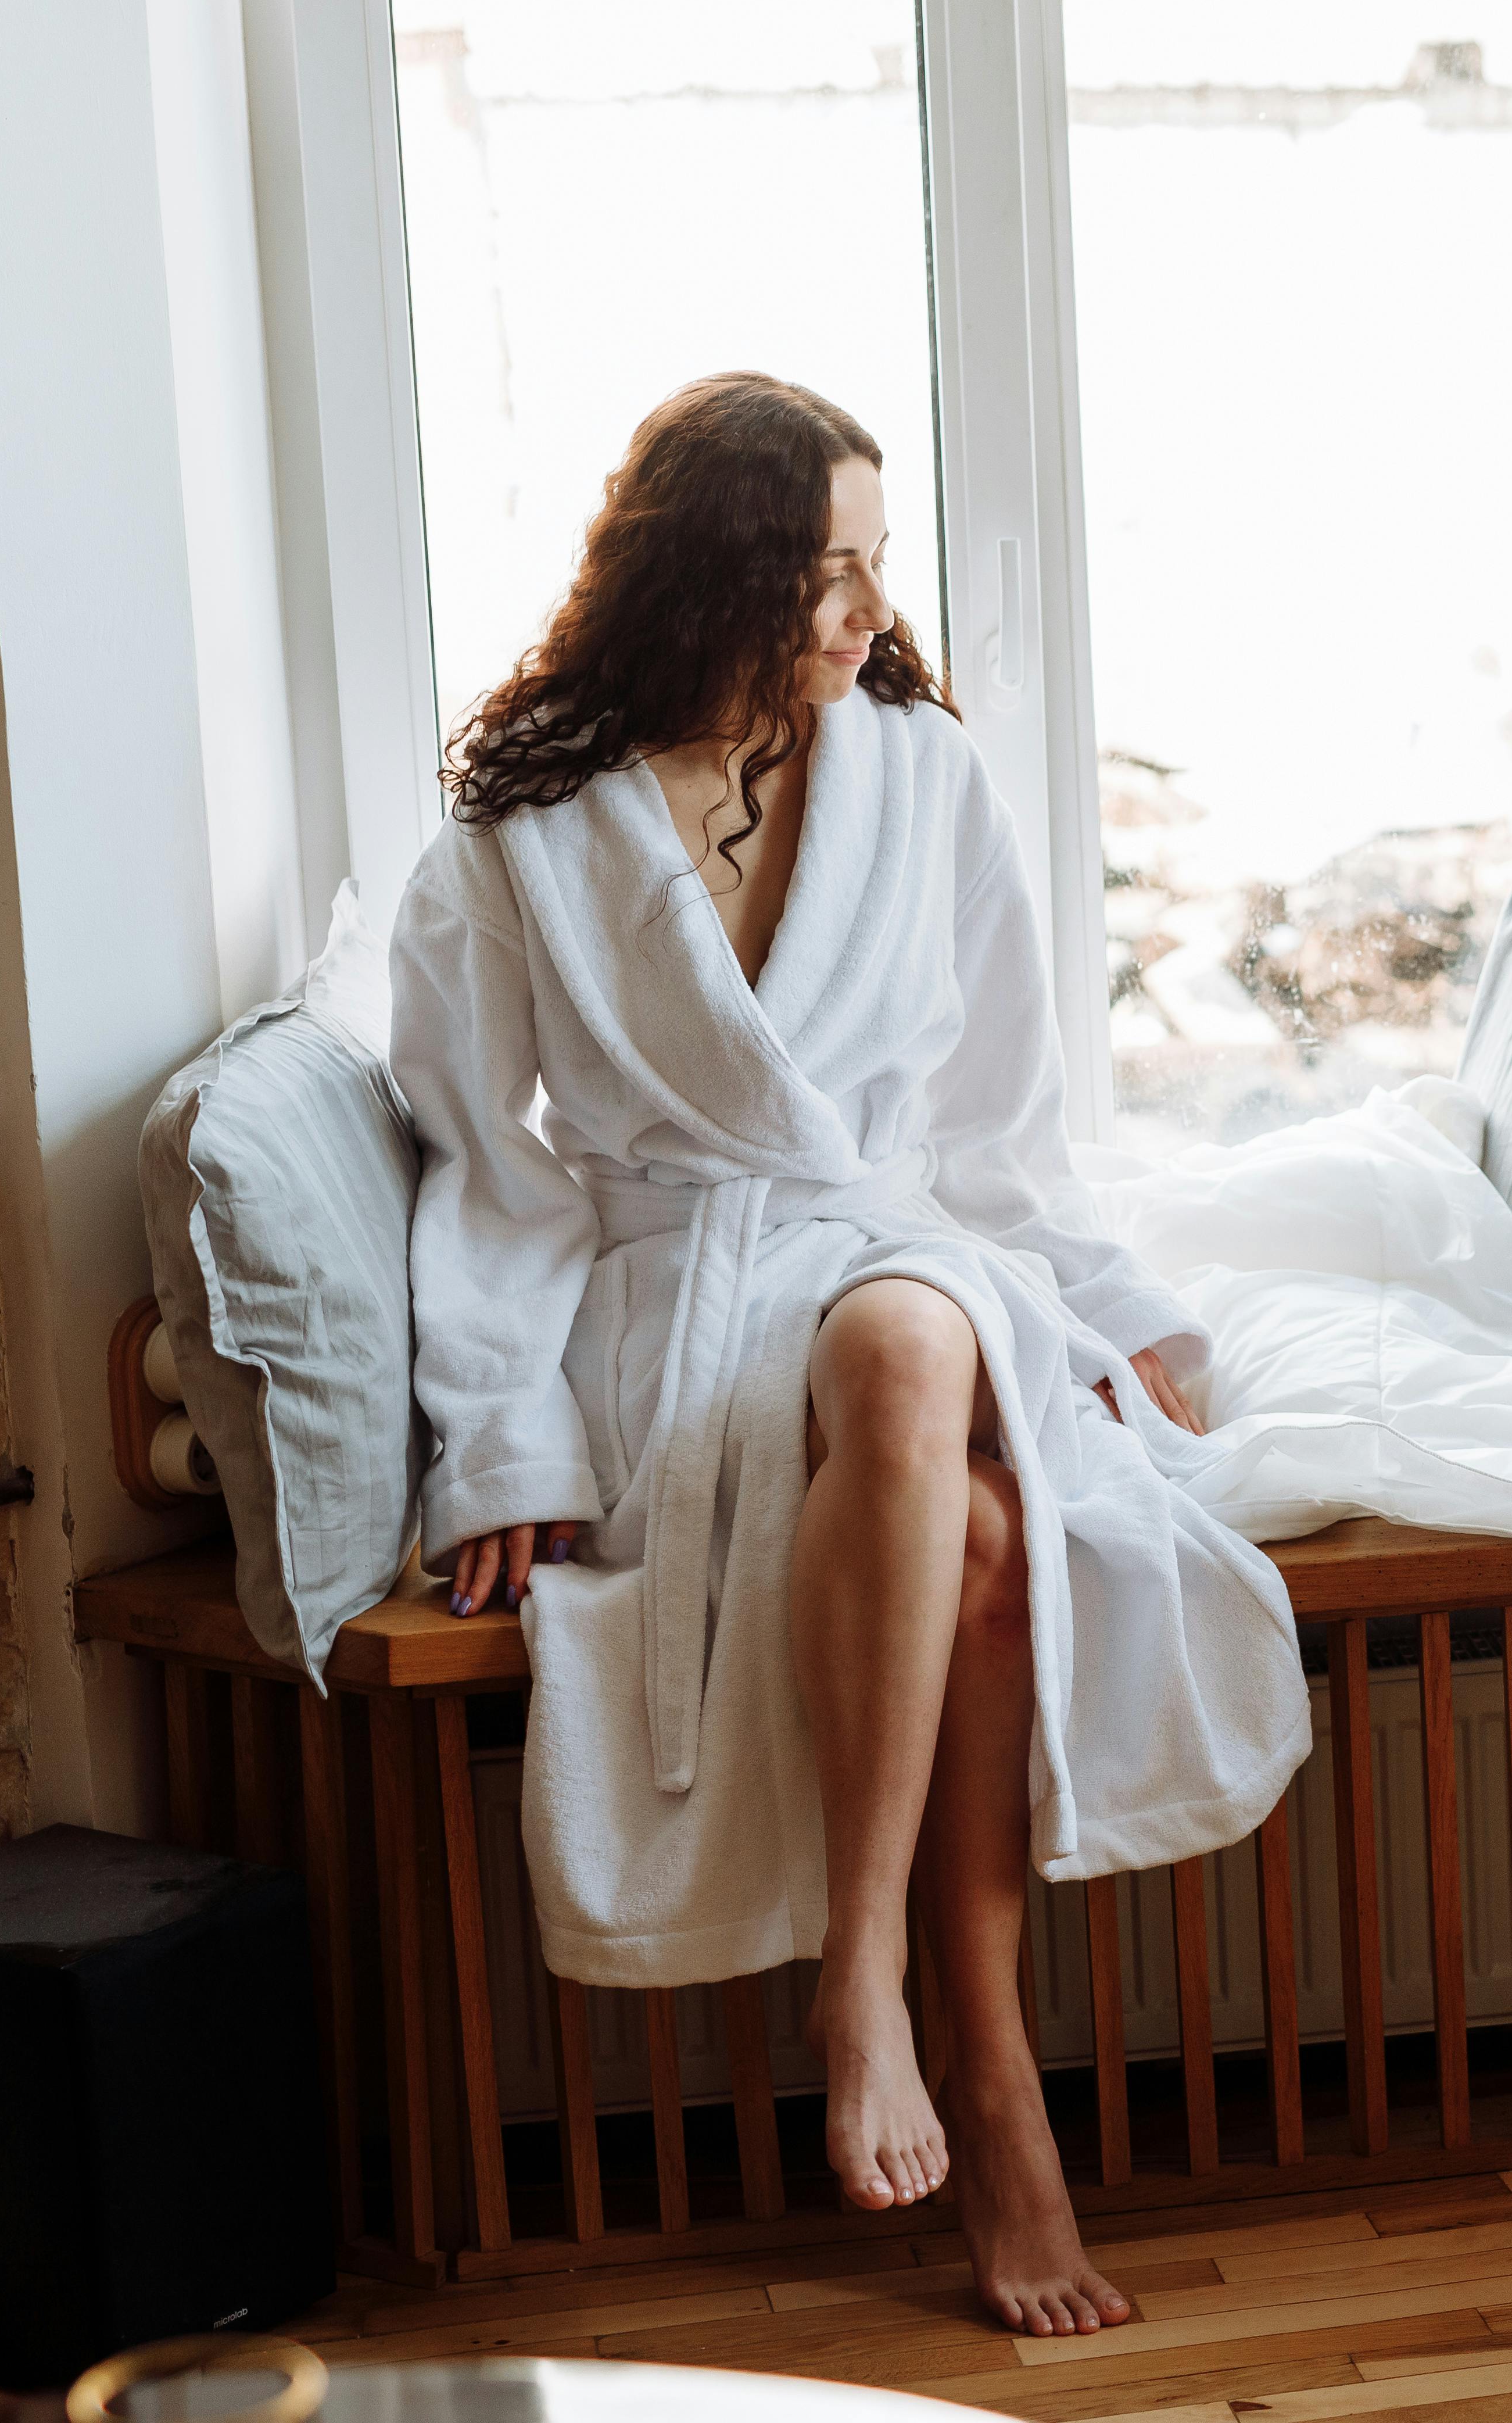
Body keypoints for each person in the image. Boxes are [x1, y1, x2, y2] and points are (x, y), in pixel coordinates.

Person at [395, 373, 1307, 2337]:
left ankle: (862, 1977)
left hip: (891, 1247)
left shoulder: (921, 775)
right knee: (972, 1545)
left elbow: (997, 1131)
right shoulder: (519, 836)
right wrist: (500, 1441)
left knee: (903, 1351)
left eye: (877, 563)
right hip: (673, 1303)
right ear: (711, 572)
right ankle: (994, 2071)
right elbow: (490, 1173)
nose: (870, 611)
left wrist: (1119, 1311)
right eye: (829, 569)